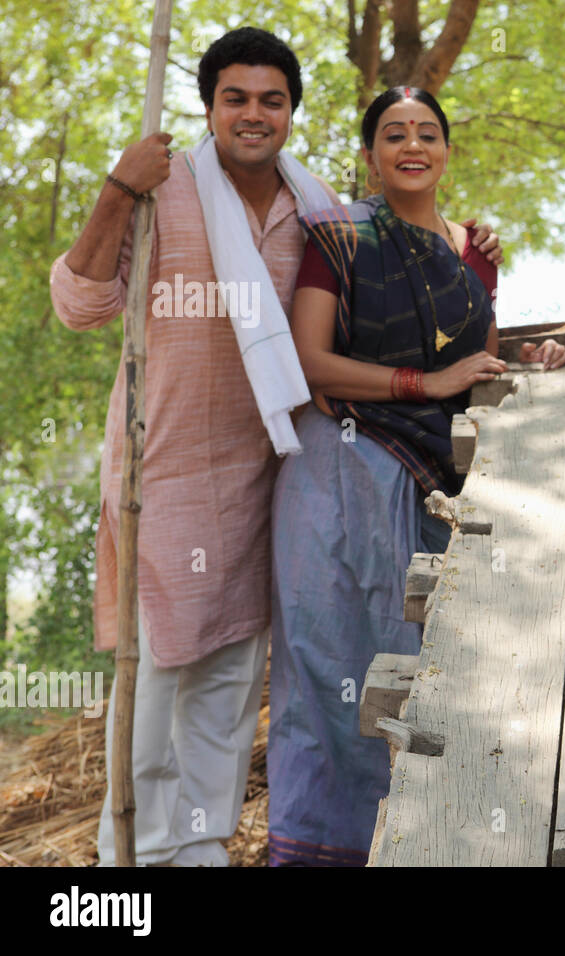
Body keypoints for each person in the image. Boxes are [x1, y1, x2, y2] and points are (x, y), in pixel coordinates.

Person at [47, 28, 502, 866]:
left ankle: (201, 847)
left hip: (270, 464)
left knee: (233, 671)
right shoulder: (163, 187)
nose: (254, 115)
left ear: (291, 112)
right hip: (167, 464)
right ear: (209, 107)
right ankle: (137, 858)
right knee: (158, 670)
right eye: (236, 98)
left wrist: (467, 258)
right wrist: (116, 189)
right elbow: (80, 305)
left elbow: (381, 298)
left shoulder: (315, 208)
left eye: (272, 100)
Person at [268, 86, 565, 866]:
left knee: (432, 664)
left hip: (437, 484)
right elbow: (308, 365)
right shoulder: (339, 237)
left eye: (427, 133)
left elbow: (477, 361)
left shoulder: (473, 252)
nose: (413, 145)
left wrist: (533, 361)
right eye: (394, 134)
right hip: (340, 467)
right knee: (330, 664)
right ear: (371, 154)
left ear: (446, 151)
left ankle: (422, 843)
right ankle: (321, 851)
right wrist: (421, 384)